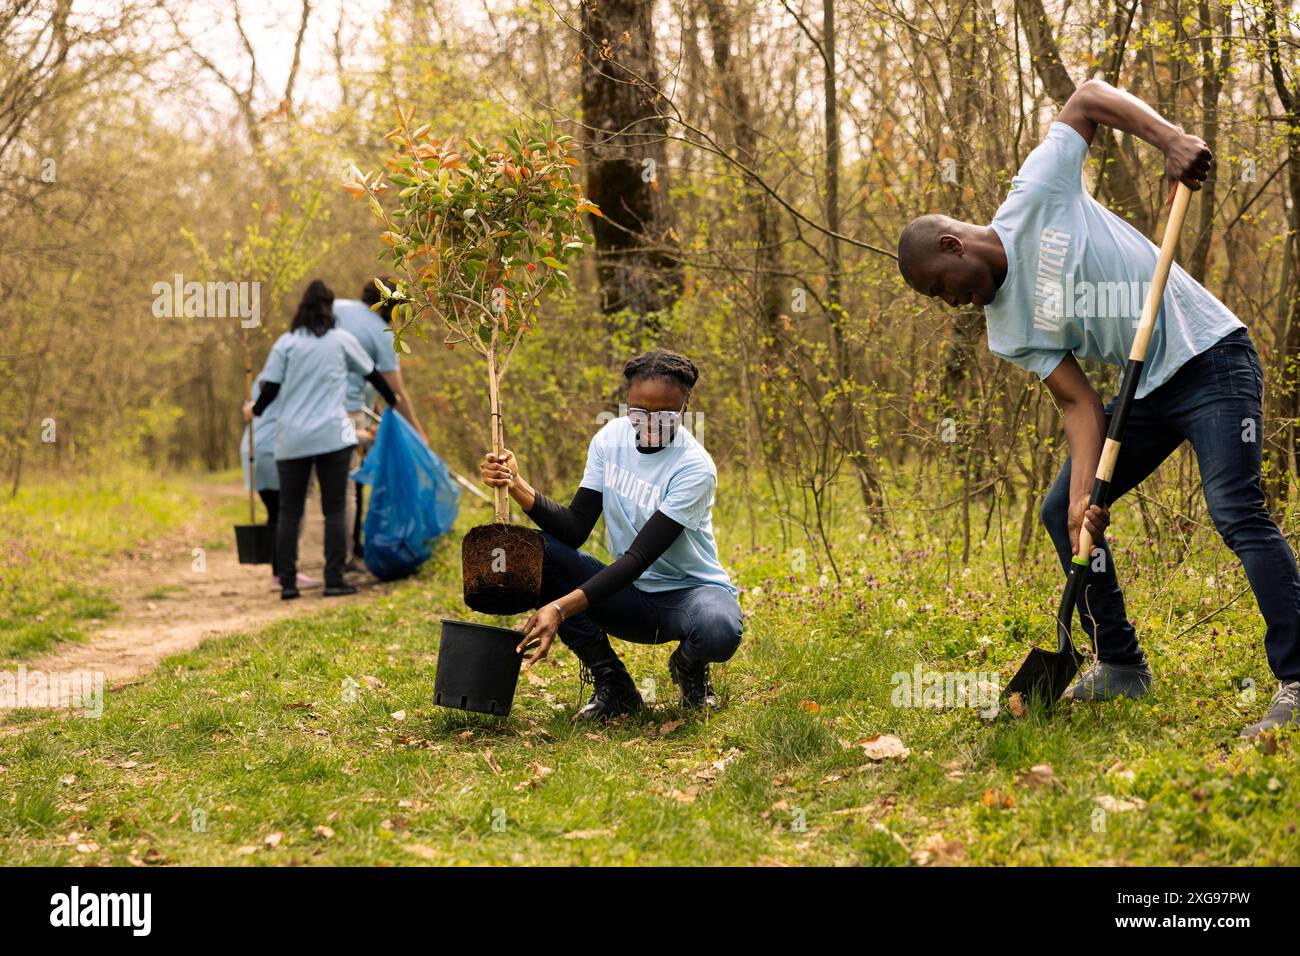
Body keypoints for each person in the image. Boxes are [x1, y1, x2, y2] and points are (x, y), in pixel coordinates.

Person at [896, 78, 1300, 738]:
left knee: (1236, 510)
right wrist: (1088, 496)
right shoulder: (1007, 329)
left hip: (1211, 356)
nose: (951, 305)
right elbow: (1080, 403)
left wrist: (1168, 140)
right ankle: (1120, 664)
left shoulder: (1036, 194)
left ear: (952, 245)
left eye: (942, 289)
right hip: (1145, 392)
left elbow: (1086, 98)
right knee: (1063, 513)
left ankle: (1296, 677)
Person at [480, 348, 743, 721]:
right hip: (628, 599)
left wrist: (559, 608)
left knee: (718, 630)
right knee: (534, 551)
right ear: (627, 404)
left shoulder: (694, 468)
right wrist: (517, 484)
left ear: (685, 406)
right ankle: (614, 684)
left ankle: (690, 668)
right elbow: (574, 529)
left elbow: (638, 558)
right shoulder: (609, 440)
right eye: (639, 411)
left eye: (665, 415)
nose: (649, 423)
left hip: (688, 597)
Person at [250, 280, 399, 600]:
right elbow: (373, 373)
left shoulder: (286, 343)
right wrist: (393, 401)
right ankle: (334, 579)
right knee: (333, 509)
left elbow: (269, 390)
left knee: (290, 511)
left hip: (291, 439)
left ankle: (287, 584)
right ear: (329, 309)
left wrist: (255, 411)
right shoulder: (341, 340)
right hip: (334, 436)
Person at [333, 278, 428, 566]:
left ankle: (346, 549)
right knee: (351, 481)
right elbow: (395, 393)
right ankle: (346, 555)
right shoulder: (383, 334)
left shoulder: (338, 307)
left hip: (316, 406)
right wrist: (418, 432)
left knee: (335, 483)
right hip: (349, 410)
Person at [240, 376, 319, 590]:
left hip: (253, 447)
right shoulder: (286, 379)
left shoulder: (263, 378)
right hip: (270, 449)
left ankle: (280, 571)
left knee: (276, 512)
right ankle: (284, 573)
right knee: (286, 512)